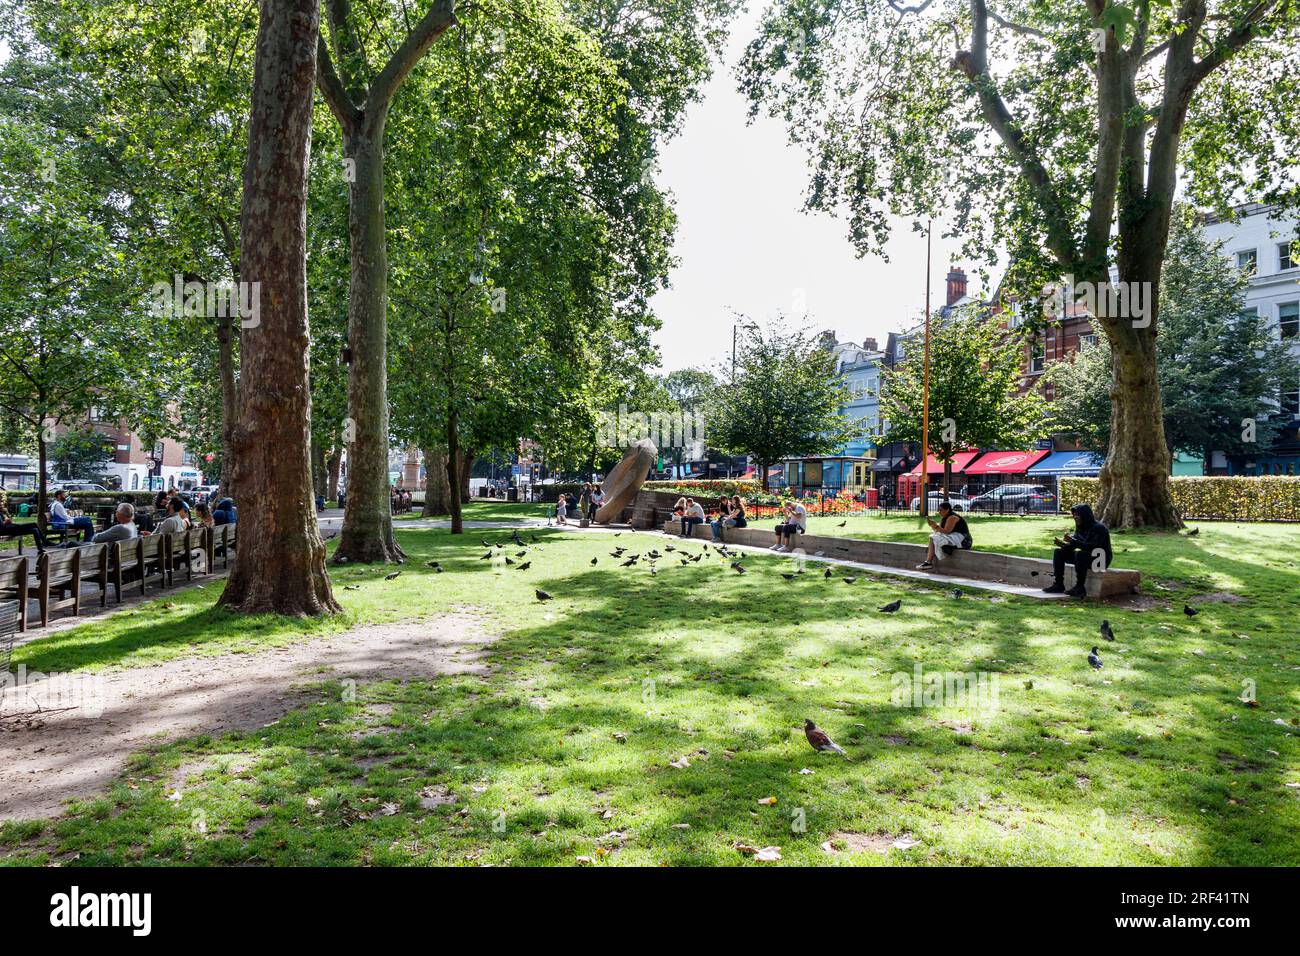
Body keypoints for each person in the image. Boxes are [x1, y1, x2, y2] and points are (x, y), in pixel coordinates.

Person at [1044, 503, 1112, 597]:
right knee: (1059, 553)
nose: (1075, 517)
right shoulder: (1080, 528)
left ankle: (1080, 587)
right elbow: (1073, 546)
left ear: (1085, 515)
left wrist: (1074, 541)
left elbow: (1093, 548)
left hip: (1100, 560)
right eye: (1074, 515)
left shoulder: (1099, 528)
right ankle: (1058, 584)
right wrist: (1063, 545)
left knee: (1081, 554)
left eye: (1078, 515)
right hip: (1087, 558)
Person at [916, 500, 972, 570]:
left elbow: (947, 531)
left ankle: (928, 562)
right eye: (939, 510)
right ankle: (928, 561)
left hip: (964, 540)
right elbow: (939, 531)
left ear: (947, 510)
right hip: (954, 537)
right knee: (933, 537)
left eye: (941, 510)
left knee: (933, 538)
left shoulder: (953, 517)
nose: (939, 512)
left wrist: (935, 526)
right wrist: (932, 526)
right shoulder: (944, 518)